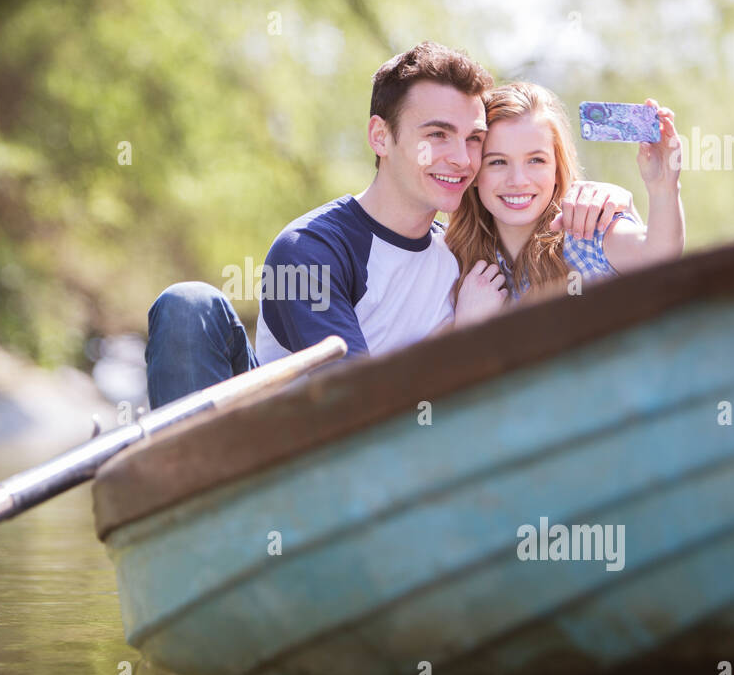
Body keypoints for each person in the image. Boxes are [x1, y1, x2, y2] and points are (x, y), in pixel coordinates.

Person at [145, 44, 642, 408]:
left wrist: (613, 203)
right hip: (285, 455)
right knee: (190, 305)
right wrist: (463, 332)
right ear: (380, 137)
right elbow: (356, 405)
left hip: (402, 471)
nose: (459, 157)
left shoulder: (466, 255)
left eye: (473, 139)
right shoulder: (312, 250)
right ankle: (182, 514)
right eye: (436, 135)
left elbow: (546, 232)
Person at [448, 81, 684, 326]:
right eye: (497, 162)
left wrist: (663, 186)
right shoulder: (453, 258)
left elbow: (659, 255)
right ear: (475, 171)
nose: (518, 180)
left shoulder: (586, 231)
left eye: (536, 160)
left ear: (557, 169)